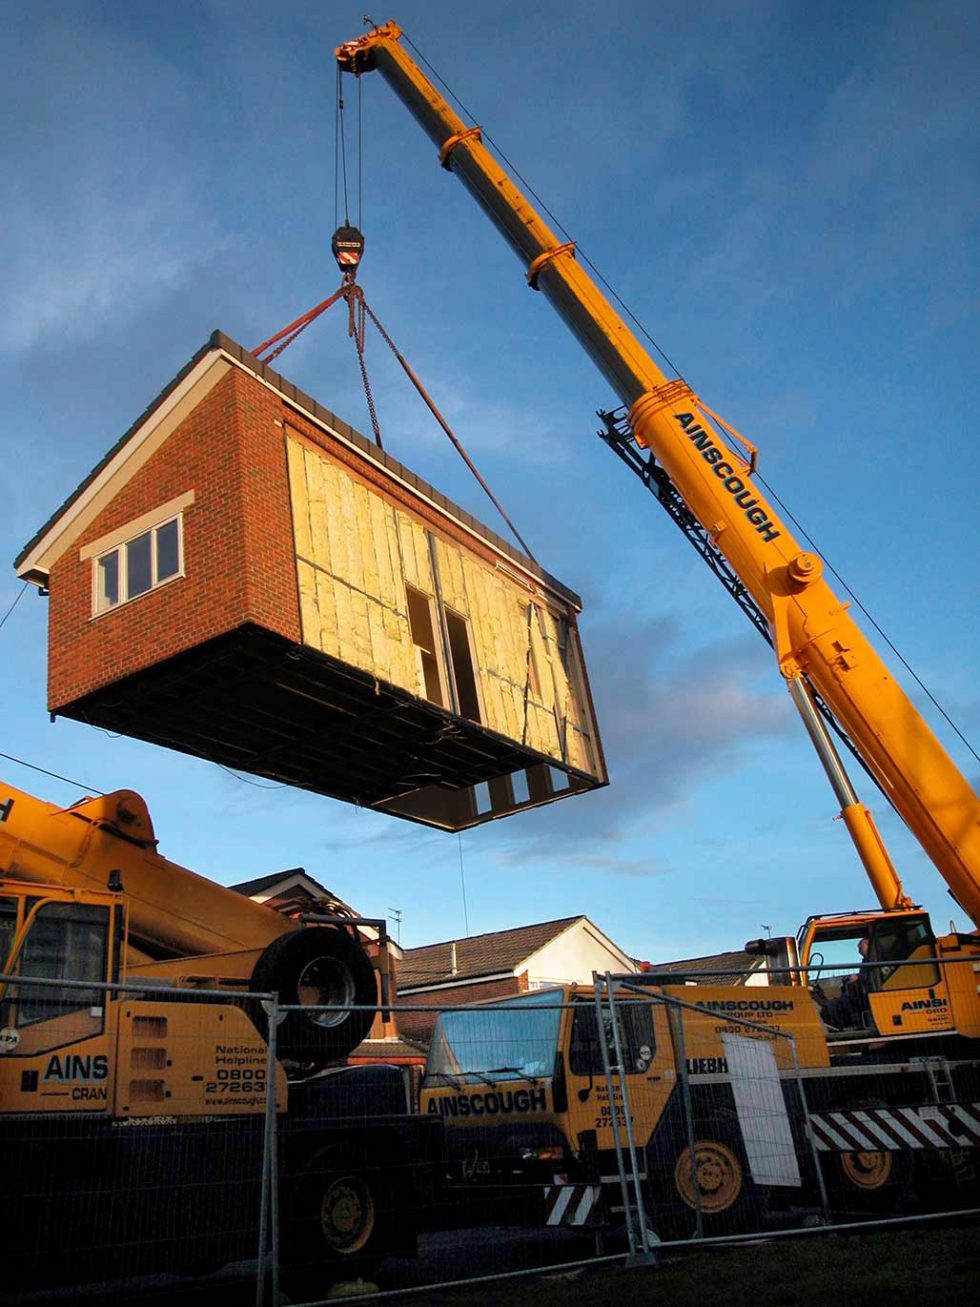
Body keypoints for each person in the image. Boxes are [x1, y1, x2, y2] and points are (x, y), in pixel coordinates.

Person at [818, 936, 872, 1031]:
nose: (859, 951)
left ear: (868, 945)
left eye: (861, 947)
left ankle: (856, 1023)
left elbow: (873, 974)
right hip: (862, 991)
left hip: (868, 991)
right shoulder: (865, 961)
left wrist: (858, 977)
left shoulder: (874, 960)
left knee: (847, 1001)